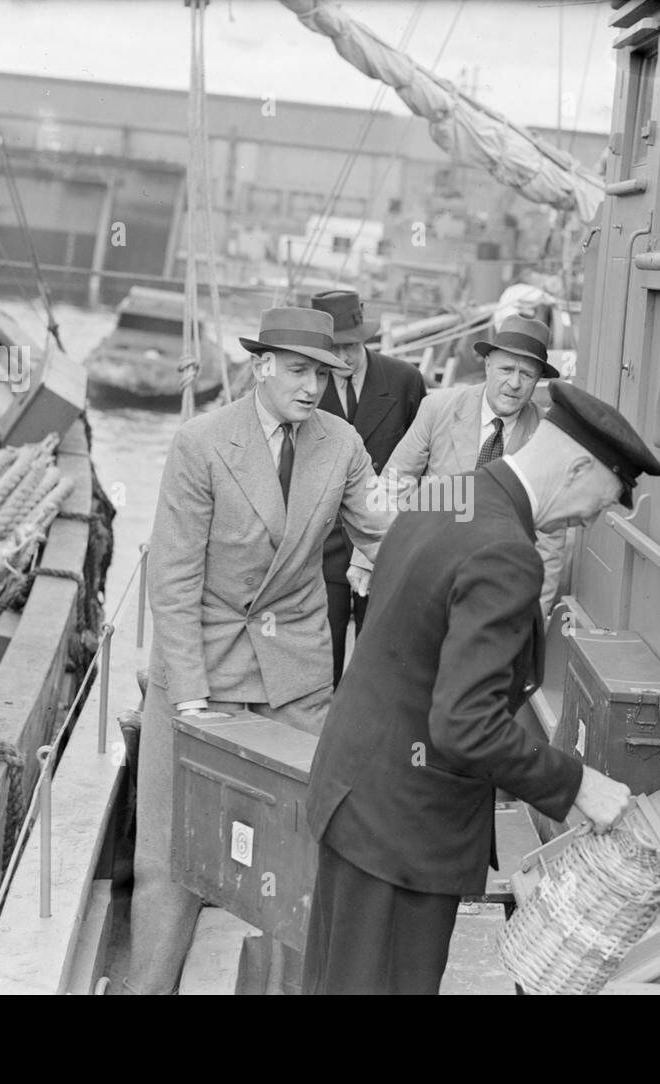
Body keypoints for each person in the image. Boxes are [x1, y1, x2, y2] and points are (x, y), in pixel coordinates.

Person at [301, 380, 660, 995]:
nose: (589, 521)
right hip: (405, 836)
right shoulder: (507, 553)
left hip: (356, 795)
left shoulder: (453, 490)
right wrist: (578, 784)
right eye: (600, 505)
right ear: (577, 466)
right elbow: (464, 723)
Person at [128, 306, 391, 995]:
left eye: (324, 375)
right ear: (262, 366)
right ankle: (146, 988)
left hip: (295, 680)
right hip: (202, 670)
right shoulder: (202, 442)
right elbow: (174, 576)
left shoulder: (342, 446)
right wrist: (188, 696)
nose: (312, 388)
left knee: (297, 864)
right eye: (299, 371)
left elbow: (387, 535)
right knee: (170, 861)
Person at [383, 314, 566, 616]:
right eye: (506, 369)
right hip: (425, 575)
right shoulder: (437, 408)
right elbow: (392, 484)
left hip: (499, 592)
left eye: (527, 374)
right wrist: (374, 561)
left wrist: (531, 618)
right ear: (487, 364)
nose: (515, 383)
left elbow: (550, 542)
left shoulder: (548, 438)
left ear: (538, 380)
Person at [311, 288, 425, 685]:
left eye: (352, 346)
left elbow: (422, 469)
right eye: (334, 348)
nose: (343, 358)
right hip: (320, 555)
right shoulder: (304, 391)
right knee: (322, 665)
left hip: (384, 547)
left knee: (378, 664)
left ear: (365, 338)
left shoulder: (405, 381)